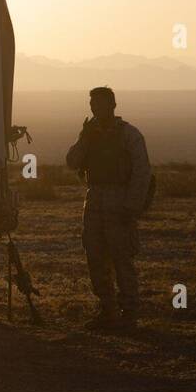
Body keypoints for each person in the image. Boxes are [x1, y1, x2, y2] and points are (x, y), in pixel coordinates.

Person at [65, 86, 152, 330]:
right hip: (94, 200)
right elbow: (72, 162)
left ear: (113, 105)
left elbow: (142, 172)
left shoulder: (128, 135)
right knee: (95, 257)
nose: (94, 108)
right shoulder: (90, 134)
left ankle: (129, 314)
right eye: (92, 104)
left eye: (99, 103)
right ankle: (107, 310)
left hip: (119, 200)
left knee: (121, 258)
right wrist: (84, 139)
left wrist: (132, 205)